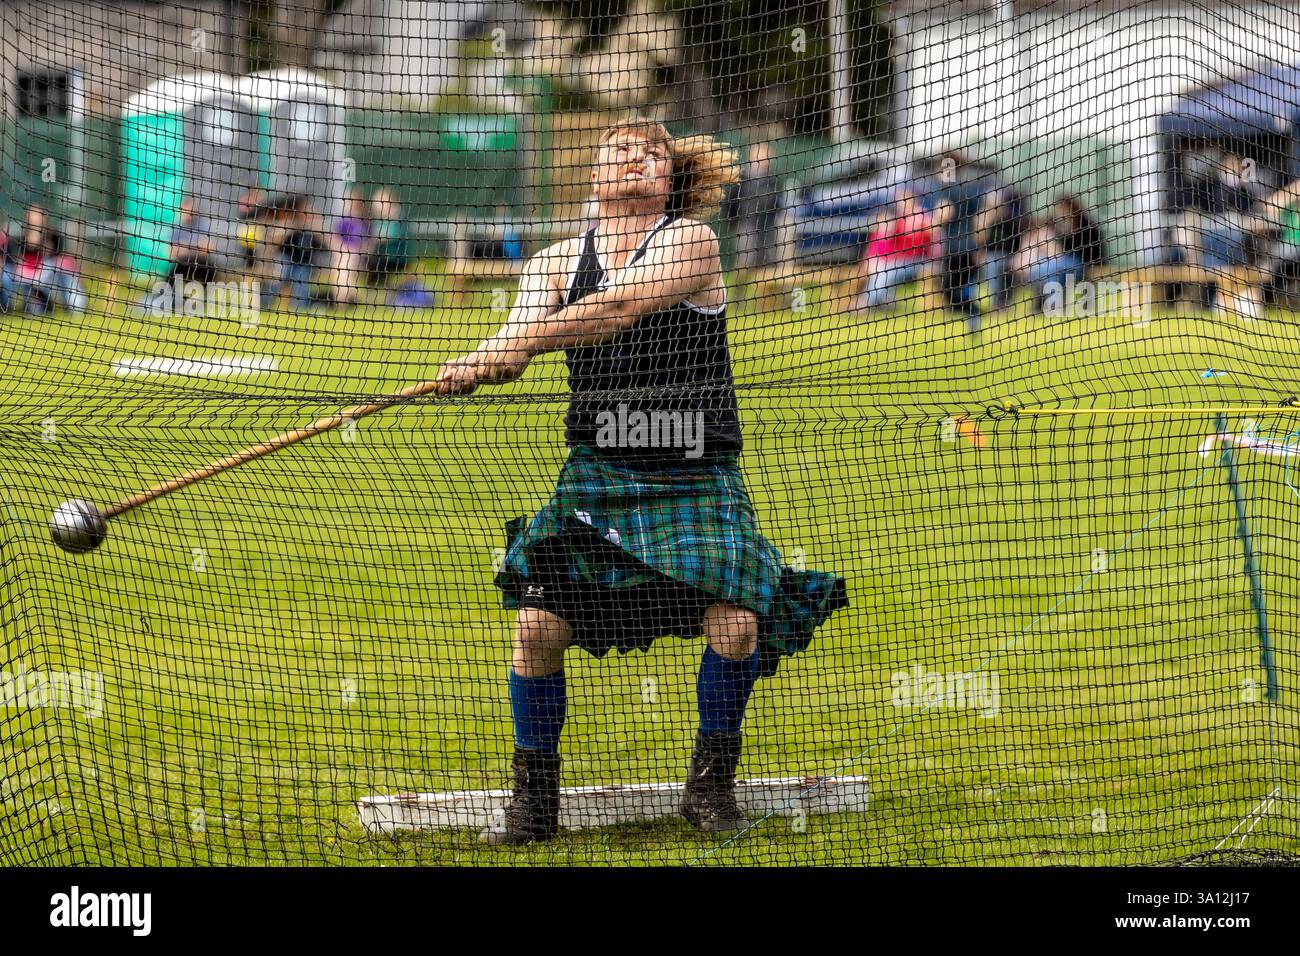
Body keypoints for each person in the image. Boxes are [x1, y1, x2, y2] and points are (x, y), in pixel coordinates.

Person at [434, 117, 847, 845]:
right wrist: (481, 360)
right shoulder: (555, 262)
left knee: (737, 623)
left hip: (695, 471)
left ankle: (709, 789)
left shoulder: (691, 241)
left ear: (671, 177)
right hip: (600, 472)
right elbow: (519, 331)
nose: (636, 158)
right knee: (537, 627)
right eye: (620, 150)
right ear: (594, 175)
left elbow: (617, 309)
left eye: (652, 151)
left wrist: (520, 346)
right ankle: (534, 803)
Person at [851, 187, 934, 312]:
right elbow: (882, 247)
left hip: (919, 261)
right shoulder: (899, 220)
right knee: (881, 271)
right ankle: (885, 302)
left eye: (906, 200)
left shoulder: (921, 216)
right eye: (900, 201)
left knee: (886, 272)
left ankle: (866, 303)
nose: (903, 204)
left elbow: (933, 232)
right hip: (897, 262)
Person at [929, 153, 985, 334]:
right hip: (970, 247)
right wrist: (979, 247)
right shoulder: (968, 189)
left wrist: (932, 225)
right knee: (964, 287)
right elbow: (979, 221)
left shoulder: (944, 189)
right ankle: (974, 317)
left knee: (950, 292)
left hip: (954, 249)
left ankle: (974, 311)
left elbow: (945, 212)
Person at [728, 139, 783, 274]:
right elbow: (731, 203)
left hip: (768, 227)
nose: (763, 158)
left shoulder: (773, 179)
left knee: (769, 263)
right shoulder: (742, 177)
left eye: (765, 154)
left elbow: (778, 204)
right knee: (745, 263)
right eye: (760, 154)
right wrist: (735, 223)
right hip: (746, 227)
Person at [1011, 217, 1085, 316]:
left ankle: (1053, 304)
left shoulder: (1047, 239)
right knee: (1051, 270)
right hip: (1029, 274)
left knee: (1056, 269)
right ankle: (1051, 304)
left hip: (1048, 271)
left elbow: (1058, 255)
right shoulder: (1029, 239)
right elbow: (1018, 264)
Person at [261, 201, 326, 311]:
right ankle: (264, 305)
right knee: (278, 279)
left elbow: (325, 243)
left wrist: (316, 228)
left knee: (302, 282)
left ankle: (299, 309)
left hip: (304, 263)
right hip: (286, 260)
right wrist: (292, 227)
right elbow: (274, 239)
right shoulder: (290, 224)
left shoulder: (313, 229)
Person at [975, 184, 1027, 310]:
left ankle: (1007, 302)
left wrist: (1020, 256)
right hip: (989, 256)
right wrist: (987, 222)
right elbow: (979, 241)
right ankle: (997, 303)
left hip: (1010, 255)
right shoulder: (982, 218)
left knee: (1009, 266)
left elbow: (1021, 238)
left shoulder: (1011, 217)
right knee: (993, 263)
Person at [329, 191, 370, 308]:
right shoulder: (343, 221)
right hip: (343, 255)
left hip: (360, 258)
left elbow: (369, 244)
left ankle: (344, 301)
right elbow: (335, 240)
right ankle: (342, 300)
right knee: (342, 268)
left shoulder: (365, 222)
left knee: (346, 265)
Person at [365, 188, 410, 285]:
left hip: (395, 258)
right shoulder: (379, 220)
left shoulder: (398, 215)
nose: (377, 206)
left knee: (374, 264)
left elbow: (393, 234)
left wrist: (375, 240)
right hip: (380, 256)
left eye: (380, 203)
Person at [1050, 195, 1105, 273]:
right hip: (1069, 261)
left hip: (1085, 262)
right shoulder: (1062, 226)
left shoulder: (1086, 225)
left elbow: (1086, 250)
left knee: (1061, 268)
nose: (1061, 213)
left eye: (1063, 209)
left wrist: (1069, 231)